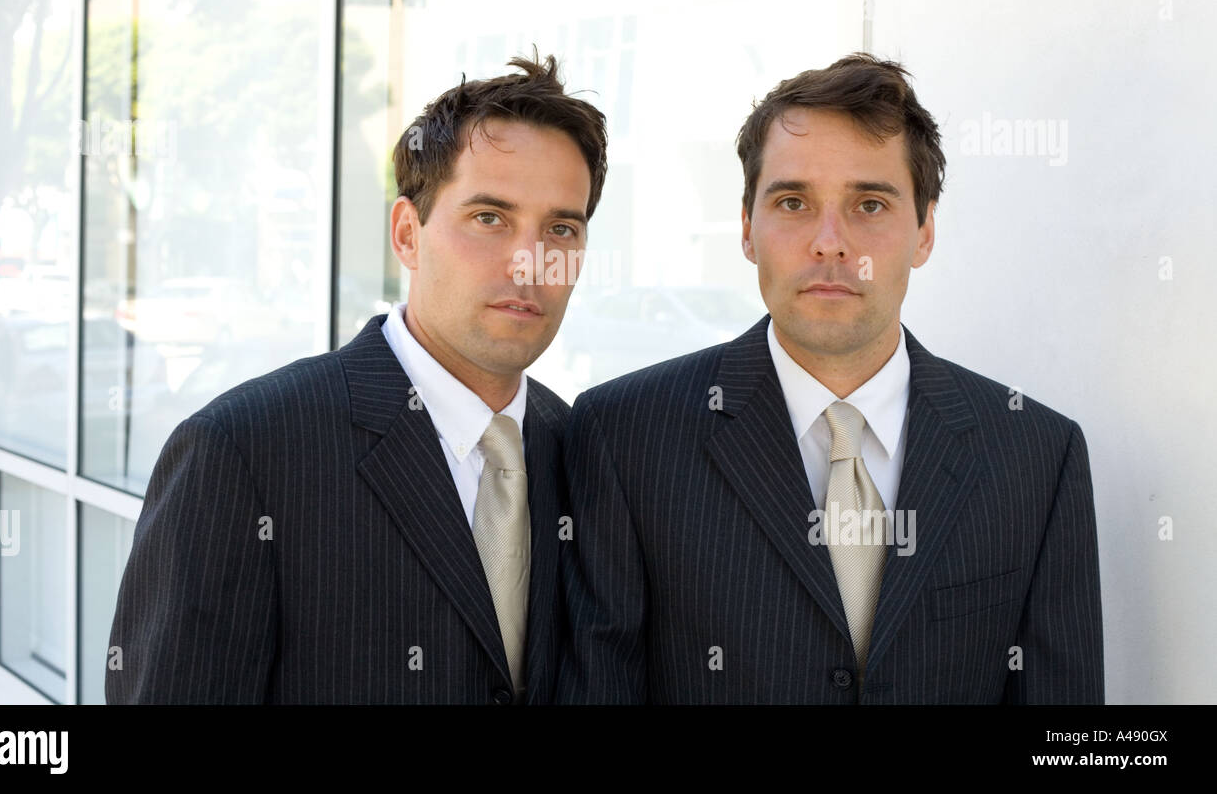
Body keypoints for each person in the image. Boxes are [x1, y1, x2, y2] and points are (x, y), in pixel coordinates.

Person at [556, 53, 1103, 704]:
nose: (829, 242)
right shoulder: (625, 437)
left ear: (924, 232)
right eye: (792, 202)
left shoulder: (1036, 455)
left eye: (869, 203)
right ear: (746, 229)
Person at [107, 53, 607, 704]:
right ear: (407, 234)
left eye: (560, 228)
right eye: (489, 218)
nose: (529, 262)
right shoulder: (243, 453)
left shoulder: (578, 445)